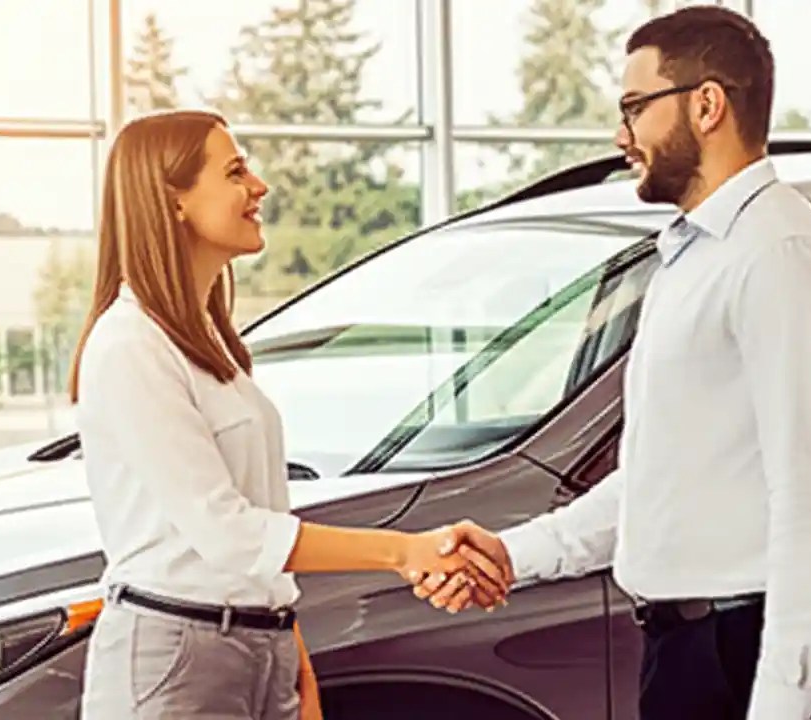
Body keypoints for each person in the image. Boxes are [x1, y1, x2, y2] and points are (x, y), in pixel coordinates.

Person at [413, 6, 811, 720]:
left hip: (744, 659)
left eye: (635, 107)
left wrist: (783, 706)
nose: (620, 134)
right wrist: (519, 553)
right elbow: (669, 476)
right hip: (690, 651)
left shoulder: (780, 259)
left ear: (707, 104)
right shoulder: (698, 256)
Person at [70, 109, 506, 720]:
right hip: (177, 659)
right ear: (173, 202)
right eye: (235, 171)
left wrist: (290, 648)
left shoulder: (206, 339)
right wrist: (405, 552)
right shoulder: (129, 346)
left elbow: (260, 523)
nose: (259, 187)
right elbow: (228, 531)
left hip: (259, 644)